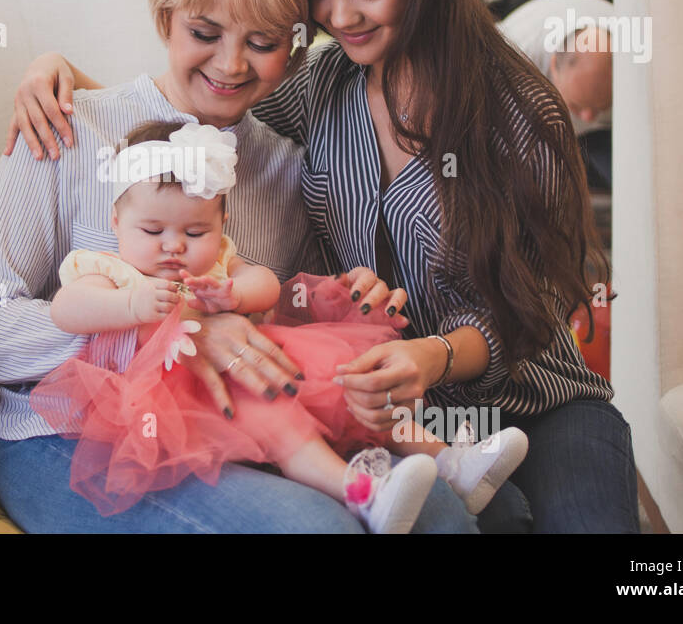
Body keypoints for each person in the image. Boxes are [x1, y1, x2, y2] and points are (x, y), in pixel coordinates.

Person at [6, 0, 640, 533]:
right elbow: (205, 114)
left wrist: (435, 353)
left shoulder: (521, 109)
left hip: (534, 399)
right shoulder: (322, 86)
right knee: (482, 517)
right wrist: (69, 74)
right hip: (389, 405)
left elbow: (541, 305)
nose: (342, 17)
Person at [32, 119, 529, 531]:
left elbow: (267, 284)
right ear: (116, 223)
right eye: (152, 230)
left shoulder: (218, 262)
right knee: (280, 422)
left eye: (196, 230)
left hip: (261, 360)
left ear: (221, 226)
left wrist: (233, 294)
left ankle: (452, 462)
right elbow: (66, 308)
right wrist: (133, 305)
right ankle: (361, 493)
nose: (174, 245)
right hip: (187, 395)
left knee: (348, 379)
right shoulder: (110, 271)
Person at [499, 0, 614, 188]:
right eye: (576, 106)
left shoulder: (639, 62)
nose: (587, 117)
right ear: (553, 65)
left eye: (600, 105)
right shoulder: (511, 57)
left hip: (606, 131)